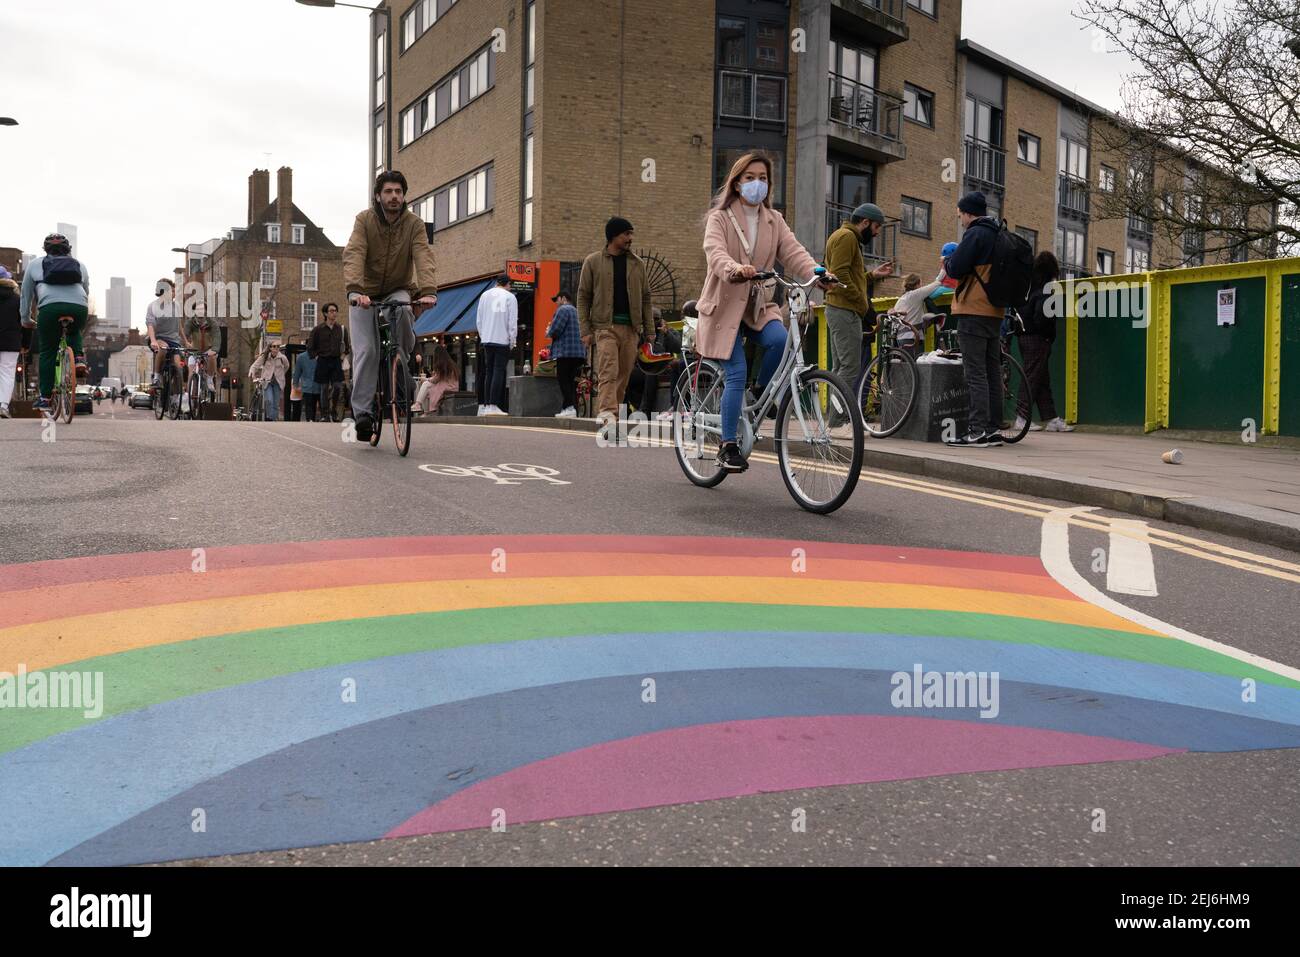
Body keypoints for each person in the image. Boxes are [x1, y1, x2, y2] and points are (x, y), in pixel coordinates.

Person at [694, 150, 837, 472]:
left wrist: (817, 273)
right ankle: (727, 445)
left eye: (763, 178)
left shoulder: (774, 220)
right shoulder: (720, 218)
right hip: (723, 309)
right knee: (735, 373)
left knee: (779, 339)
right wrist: (735, 269)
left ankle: (759, 393)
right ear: (736, 182)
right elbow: (715, 253)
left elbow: (794, 252)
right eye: (749, 178)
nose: (756, 184)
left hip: (758, 306)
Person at [342, 170, 437, 442]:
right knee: (368, 351)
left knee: (406, 309)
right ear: (378, 195)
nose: (394, 196)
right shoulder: (365, 220)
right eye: (388, 191)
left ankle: (400, 357)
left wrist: (428, 290)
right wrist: (356, 290)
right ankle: (362, 414)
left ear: (403, 195)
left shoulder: (414, 224)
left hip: (398, 288)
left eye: (398, 191)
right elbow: (355, 252)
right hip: (365, 293)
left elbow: (423, 255)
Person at [942, 191, 1004, 448]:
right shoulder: (998, 233)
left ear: (969, 213)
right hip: (994, 311)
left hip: (973, 310)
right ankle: (992, 430)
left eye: (961, 216)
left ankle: (977, 430)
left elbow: (956, 268)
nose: (961, 220)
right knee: (992, 372)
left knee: (975, 374)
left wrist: (947, 261)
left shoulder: (975, 234)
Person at [577, 216, 653, 424]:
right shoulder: (593, 262)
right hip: (604, 327)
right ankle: (607, 411)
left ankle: (613, 414)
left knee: (624, 374)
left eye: (631, 234)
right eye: (626, 234)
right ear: (613, 236)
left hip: (631, 328)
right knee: (608, 369)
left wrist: (650, 330)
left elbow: (646, 298)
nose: (630, 238)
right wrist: (585, 329)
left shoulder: (638, 264)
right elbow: (583, 297)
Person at [824, 204, 893, 400]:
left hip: (839, 308)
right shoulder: (847, 237)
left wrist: (872, 275)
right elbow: (840, 275)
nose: (877, 232)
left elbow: (849, 275)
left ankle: (834, 419)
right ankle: (839, 420)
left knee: (840, 368)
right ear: (865, 222)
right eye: (877, 227)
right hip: (845, 310)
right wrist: (862, 304)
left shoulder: (843, 235)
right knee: (850, 368)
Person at [19, 233, 90, 411]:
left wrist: (25, 319)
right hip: (79, 307)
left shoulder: (35, 265)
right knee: (74, 332)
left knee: (48, 351)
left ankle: (45, 398)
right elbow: (86, 290)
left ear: (45, 249)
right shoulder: (80, 265)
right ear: (68, 250)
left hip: (49, 309)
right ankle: (79, 359)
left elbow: (26, 295)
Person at [1014, 251, 1074, 433]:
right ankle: (1021, 418)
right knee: (1032, 377)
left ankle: (1052, 418)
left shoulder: (1027, 287)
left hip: (1023, 336)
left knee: (1040, 379)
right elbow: (1043, 317)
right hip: (1038, 338)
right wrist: (1048, 335)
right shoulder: (1045, 291)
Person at [628, 309, 684, 419]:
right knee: (626, 375)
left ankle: (645, 410)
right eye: (650, 319)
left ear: (662, 319)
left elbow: (678, 348)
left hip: (663, 367)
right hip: (643, 368)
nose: (653, 322)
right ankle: (628, 410)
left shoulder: (669, 331)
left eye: (656, 319)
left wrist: (666, 333)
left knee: (651, 373)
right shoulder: (641, 333)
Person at [475, 274, 517, 415]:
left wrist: (483, 335)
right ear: (507, 284)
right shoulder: (510, 297)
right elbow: (512, 322)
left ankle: (487, 405)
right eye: (510, 285)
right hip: (502, 339)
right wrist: (512, 341)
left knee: (489, 371)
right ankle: (493, 405)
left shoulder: (484, 295)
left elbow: (479, 320)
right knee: (498, 371)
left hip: (487, 339)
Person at [545, 289, 584, 418]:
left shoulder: (563, 309)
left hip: (566, 352)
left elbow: (556, 330)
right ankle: (568, 409)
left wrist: (548, 331)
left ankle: (569, 408)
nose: (556, 303)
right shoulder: (577, 311)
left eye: (557, 300)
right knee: (571, 382)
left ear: (563, 298)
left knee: (563, 380)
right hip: (578, 353)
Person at [888, 273, 946, 359]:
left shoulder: (903, 298)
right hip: (912, 337)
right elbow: (936, 284)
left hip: (902, 338)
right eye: (920, 284)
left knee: (906, 366)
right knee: (915, 366)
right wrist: (944, 268)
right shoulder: (914, 295)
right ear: (917, 284)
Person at [145, 279, 185, 392]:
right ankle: (157, 377)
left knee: (178, 367)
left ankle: (176, 396)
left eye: (174, 291)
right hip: (159, 338)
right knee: (163, 348)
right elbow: (150, 325)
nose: (174, 294)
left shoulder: (176, 306)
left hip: (174, 341)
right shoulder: (153, 306)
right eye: (171, 291)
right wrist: (153, 340)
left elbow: (179, 324)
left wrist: (185, 341)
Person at [183, 301, 222, 403]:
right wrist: (186, 344)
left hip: (208, 350)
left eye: (202, 309)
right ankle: (191, 396)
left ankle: (209, 378)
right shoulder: (190, 322)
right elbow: (184, 336)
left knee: (212, 357)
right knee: (191, 372)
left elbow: (217, 337)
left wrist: (214, 349)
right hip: (194, 351)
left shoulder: (212, 323)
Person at [0, 265, 23, 418]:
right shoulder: (17, 300)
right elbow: (25, 323)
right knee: (7, 374)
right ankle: (3, 406)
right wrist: (26, 344)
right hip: (10, 342)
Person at [414, 343, 459, 414]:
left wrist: (426, 379)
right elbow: (439, 378)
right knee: (427, 387)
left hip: (446, 388)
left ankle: (419, 405)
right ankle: (421, 407)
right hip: (452, 387)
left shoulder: (442, 365)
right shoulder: (450, 364)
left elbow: (435, 380)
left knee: (426, 385)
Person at [249, 342, 289, 421]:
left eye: (278, 346)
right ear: (270, 348)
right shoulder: (265, 356)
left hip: (278, 383)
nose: (276, 348)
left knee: (276, 403)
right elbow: (255, 366)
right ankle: (270, 418)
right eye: (274, 346)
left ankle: (274, 419)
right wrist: (252, 373)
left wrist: (281, 374)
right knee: (269, 400)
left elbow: (287, 366)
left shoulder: (282, 358)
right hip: (267, 382)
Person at [293, 347, 321, 422]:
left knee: (309, 405)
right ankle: (312, 419)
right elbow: (297, 372)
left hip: (308, 386)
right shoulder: (320, 355)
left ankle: (310, 420)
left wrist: (295, 385)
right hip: (317, 386)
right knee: (313, 405)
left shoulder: (301, 357)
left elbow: (297, 372)